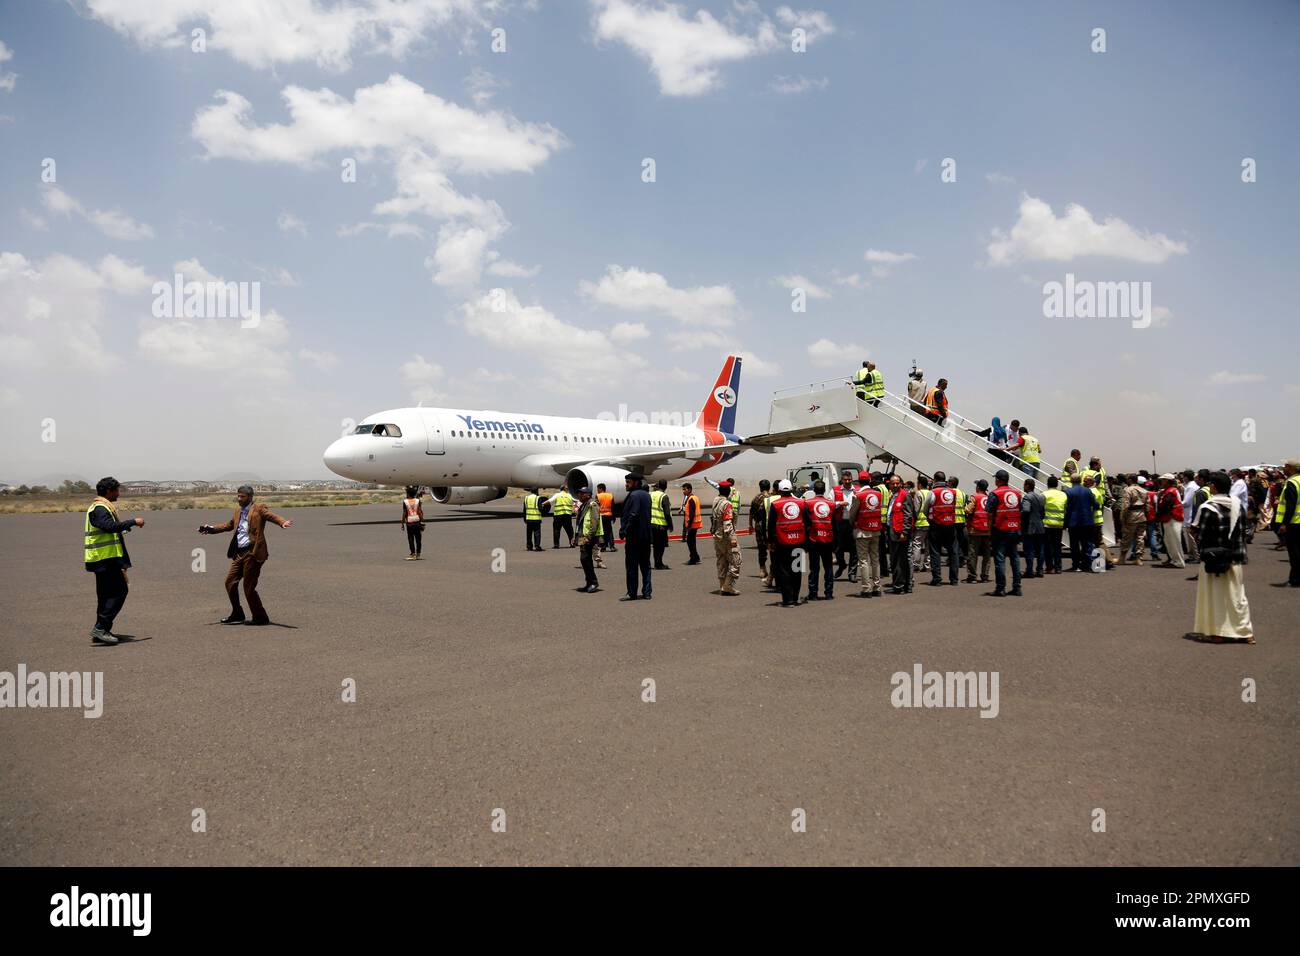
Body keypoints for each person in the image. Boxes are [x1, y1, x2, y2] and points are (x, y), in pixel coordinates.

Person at [199, 484, 293, 626]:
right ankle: (237, 613)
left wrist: (282, 522)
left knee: (248, 587)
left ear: (250, 497)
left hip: (253, 553)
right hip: (239, 553)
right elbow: (229, 525)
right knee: (229, 582)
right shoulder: (238, 511)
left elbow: (270, 516)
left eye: (242, 496)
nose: (239, 498)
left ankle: (260, 617)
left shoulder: (258, 508)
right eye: (238, 496)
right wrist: (211, 529)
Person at [1187, 472, 1253, 644]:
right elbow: (1244, 529)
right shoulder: (1239, 505)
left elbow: (1196, 532)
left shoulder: (1208, 507)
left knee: (1215, 596)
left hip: (1213, 559)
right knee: (1237, 596)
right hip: (1236, 557)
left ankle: (1218, 633)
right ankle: (1246, 633)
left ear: (1214, 487)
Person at [84, 476, 145, 645]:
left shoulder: (101, 507)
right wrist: (132, 522)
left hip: (103, 558)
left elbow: (108, 529)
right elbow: (108, 526)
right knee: (119, 591)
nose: (118, 493)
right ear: (108, 491)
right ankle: (101, 628)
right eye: (116, 490)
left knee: (105, 596)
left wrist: (122, 530)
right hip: (104, 559)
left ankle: (101, 630)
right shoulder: (100, 508)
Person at [768, 479, 809, 607]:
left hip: (782, 543)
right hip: (799, 542)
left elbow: (770, 525)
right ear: (791, 489)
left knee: (784, 571)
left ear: (779, 491)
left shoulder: (775, 504)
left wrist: (770, 541)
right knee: (797, 570)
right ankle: (795, 598)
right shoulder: (801, 503)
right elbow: (809, 522)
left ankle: (788, 600)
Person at [847, 471, 884, 597]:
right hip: (876, 530)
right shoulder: (878, 494)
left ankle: (866, 589)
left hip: (862, 531)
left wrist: (852, 524)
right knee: (875, 559)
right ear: (869, 480)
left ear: (859, 481)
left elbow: (852, 514)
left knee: (863, 561)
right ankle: (877, 587)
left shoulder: (858, 495)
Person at [986, 470, 1023, 597]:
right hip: (1014, 529)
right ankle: (1017, 587)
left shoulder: (994, 494)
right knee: (1015, 558)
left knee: (1000, 559)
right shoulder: (1017, 494)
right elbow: (1020, 510)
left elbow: (990, 514)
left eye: (996, 478)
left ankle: (1000, 588)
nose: (995, 480)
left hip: (1000, 530)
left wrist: (989, 530)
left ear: (999, 480)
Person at [924, 471, 962, 586]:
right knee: (953, 552)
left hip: (936, 525)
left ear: (935, 480)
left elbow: (925, 508)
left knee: (935, 552)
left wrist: (929, 518)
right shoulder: (953, 492)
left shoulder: (933, 492)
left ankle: (937, 578)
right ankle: (954, 579)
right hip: (950, 524)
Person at [619, 473, 653, 601]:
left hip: (634, 537)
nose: (626, 484)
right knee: (646, 565)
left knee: (632, 566)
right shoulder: (646, 495)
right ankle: (647, 592)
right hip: (646, 536)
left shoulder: (633, 496)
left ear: (636, 482)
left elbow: (633, 515)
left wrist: (624, 530)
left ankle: (632, 592)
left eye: (628, 482)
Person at [805, 480, 836, 600]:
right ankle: (829, 593)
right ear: (824, 491)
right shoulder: (831, 504)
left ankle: (813, 593)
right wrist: (836, 542)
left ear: (814, 491)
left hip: (813, 539)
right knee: (828, 567)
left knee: (814, 568)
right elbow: (834, 525)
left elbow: (806, 523)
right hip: (828, 539)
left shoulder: (807, 503)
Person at [1271, 458, 1300, 587]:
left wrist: (1284, 524)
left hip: (1294, 523)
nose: (1284, 469)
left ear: (1291, 468)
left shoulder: (1292, 483)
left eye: (1285, 466)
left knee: (1295, 554)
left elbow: (1290, 506)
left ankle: (1295, 580)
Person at [711, 480, 742, 595]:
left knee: (722, 561)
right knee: (736, 560)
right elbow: (727, 523)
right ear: (728, 491)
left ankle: (722, 585)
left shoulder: (715, 501)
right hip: (725, 536)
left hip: (717, 535)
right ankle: (728, 585)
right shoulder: (726, 504)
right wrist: (733, 538)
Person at [886, 474, 915, 594]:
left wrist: (904, 532)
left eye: (897, 483)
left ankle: (899, 586)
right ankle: (904, 585)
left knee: (899, 561)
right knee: (897, 560)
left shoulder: (905, 495)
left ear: (901, 484)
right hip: (892, 531)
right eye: (893, 483)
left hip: (900, 533)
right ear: (890, 484)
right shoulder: (893, 496)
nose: (895, 485)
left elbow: (909, 515)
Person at [573, 486, 604, 593]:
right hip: (583, 536)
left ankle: (593, 583)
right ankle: (589, 582)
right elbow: (580, 522)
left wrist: (589, 537)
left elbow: (594, 522)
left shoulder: (593, 505)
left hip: (590, 537)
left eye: (582, 493)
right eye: (579, 493)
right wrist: (576, 537)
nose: (580, 495)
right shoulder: (583, 505)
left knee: (586, 559)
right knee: (584, 560)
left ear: (589, 495)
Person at [1064, 474, 1095, 572]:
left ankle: (1076, 565)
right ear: (1081, 480)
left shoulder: (1068, 492)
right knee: (1087, 544)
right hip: (1087, 521)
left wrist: (1065, 523)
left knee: (1074, 545)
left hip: (1073, 523)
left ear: (1071, 480)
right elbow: (1095, 504)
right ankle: (1088, 565)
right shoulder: (1087, 491)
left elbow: (1067, 509)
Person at [964, 479, 992, 583]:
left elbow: (968, 510)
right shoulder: (989, 498)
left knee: (973, 553)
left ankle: (972, 576)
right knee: (986, 554)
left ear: (978, 487)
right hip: (987, 530)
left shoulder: (975, 497)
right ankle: (985, 576)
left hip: (975, 529)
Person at [1155, 474, 1186, 569]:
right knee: (1169, 541)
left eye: (1163, 480)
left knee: (1174, 541)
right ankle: (1174, 560)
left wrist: (1158, 516)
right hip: (1169, 518)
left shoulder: (1171, 491)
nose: (1161, 482)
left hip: (1173, 518)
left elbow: (1166, 505)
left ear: (1168, 481)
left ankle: (1179, 561)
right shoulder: (1167, 491)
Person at [1117, 474, 1148, 567]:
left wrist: (1122, 517)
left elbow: (1125, 505)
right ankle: (1139, 559)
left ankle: (1122, 558)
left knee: (1126, 537)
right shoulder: (1144, 490)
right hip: (1142, 515)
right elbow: (1147, 505)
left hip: (1131, 515)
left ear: (1130, 480)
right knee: (1140, 538)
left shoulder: (1128, 490)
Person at [832, 470, 857, 581]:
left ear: (852, 479)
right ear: (842, 480)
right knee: (838, 548)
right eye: (845, 480)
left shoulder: (857, 490)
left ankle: (852, 573)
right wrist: (839, 504)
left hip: (853, 523)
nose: (847, 482)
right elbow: (829, 503)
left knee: (854, 549)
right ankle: (841, 564)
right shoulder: (835, 490)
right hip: (840, 522)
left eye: (849, 480)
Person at [1020, 477, 1045, 578]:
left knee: (1029, 550)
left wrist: (1020, 517)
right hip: (1040, 527)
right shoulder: (1040, 497)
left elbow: (1026, 510)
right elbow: (1043, 513)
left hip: (1030, 528)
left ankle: (1029, 571)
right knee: (1040, 550)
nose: (1023, 487)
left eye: (1024, 485)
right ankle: (1040, 570)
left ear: (1027, 486)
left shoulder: (1027, 497)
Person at [750, 479, 773, 585]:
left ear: (760, 487)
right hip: (771, 526)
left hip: (759, 525)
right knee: (772, 548)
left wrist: (750, 525)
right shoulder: (772, 497)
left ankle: (762, 569)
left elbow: (751, 513)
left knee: (761, 548)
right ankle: (773, 570)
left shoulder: (756, 498)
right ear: (769, 487)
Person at [1042, 475, 1067, 574]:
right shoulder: (1063, 495)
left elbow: (1041, 509)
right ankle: (1058, 567)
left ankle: (1049, 567)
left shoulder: (1044, 494)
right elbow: (1065, 509)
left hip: (1047, 524)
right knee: (1057, 547)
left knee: (1048, 547)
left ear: (1047, 484)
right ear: (1057, 484)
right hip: (1059, 524)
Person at [649, 479, 674, 570]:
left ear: (658, 486)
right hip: (660, 525)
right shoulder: (664, 496)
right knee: (660, 546)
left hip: (650, 523)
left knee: (653, 545)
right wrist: (670, 525)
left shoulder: (650, 494)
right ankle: (658, 563)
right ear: (665, 487)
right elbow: (667, 513)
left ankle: (650, 563)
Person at [910, 474, 931, 575]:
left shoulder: (919, 494)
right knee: (928, 545)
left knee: (917, 544)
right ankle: (927, 565)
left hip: (921, 522)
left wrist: (916, 517)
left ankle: (916, 565)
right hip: (930, 523)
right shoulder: (931, 493)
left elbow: (917, 509)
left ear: (920, 484)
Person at [1181, 470, 1202, 563]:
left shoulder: (1190, 487)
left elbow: (1186, 502)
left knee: (1190, 538)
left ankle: (1195, 556)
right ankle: (1192, 556)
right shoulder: (1192, 486)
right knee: (1190, 538)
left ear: (1186, 477)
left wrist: (1176, 504)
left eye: (1183, 476)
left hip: (1188, 515)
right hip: (1190, 514)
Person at [400, 486, 425, 560]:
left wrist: (402, 523)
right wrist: (422, 521)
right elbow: (420, 511)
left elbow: (404, 513)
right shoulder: (418, 501)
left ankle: (413, 554)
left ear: (408, 494)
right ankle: (418, 554)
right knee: (418, 539)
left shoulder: (405, 501)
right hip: (417, 521)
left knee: (411, 539)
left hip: (410, 522)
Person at [680, 482, 702, 565]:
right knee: (692, 541)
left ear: (689, 489)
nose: (683, 491)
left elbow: (692, 514)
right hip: (695, 524)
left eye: (684, 489)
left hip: (692, 524)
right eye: (683, 489)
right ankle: (696, 557)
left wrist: (688, 526)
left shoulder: (691, 499)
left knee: (690, 542)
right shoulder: (694, 497)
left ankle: (693, 558)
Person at [596, 484, 616, 552]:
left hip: (601, 515)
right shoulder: (610, 495)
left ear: (601, 489)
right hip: (609, 515)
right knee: (609, 531)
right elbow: (613, 506)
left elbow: (596, 507)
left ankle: (603, 546)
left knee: (602, 531)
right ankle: (612, 546)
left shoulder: (598, 496)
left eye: (598, 489)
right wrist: (614, 517)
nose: (597, 490)